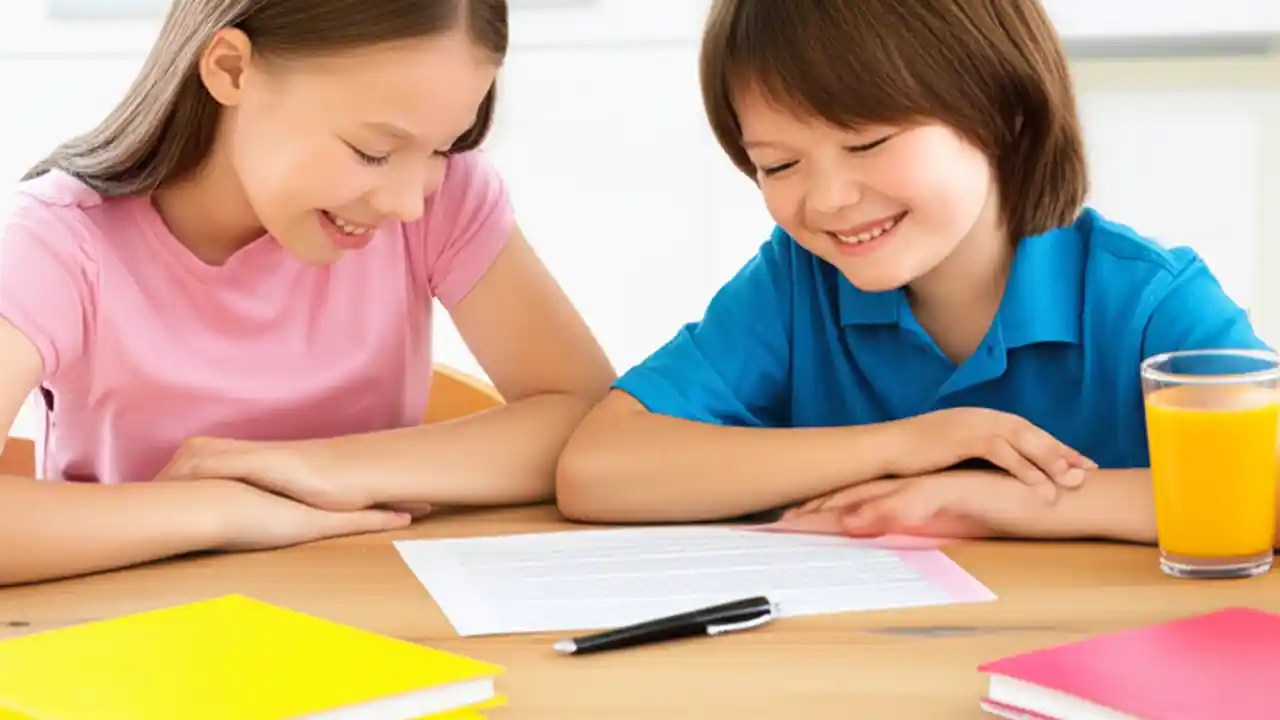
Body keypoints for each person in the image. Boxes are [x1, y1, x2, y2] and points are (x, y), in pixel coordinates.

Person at [556, 0, 1268, 545]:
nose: (828, 198)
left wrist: (990, 499)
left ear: (1003, 113)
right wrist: (907, 446)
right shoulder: (796, 285)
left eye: (867, 142)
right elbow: (598, 469)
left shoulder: (1142, 298)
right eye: (779, 164)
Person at [0, 0, 614, 586]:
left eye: (443, 147)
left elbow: (593, 421)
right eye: (372, 152)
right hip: (124, 633)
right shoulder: (62, 241)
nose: (406, 199)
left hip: (372, 605)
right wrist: (221, 512)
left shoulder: (439, 202)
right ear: (232, 70)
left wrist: (331, 468)